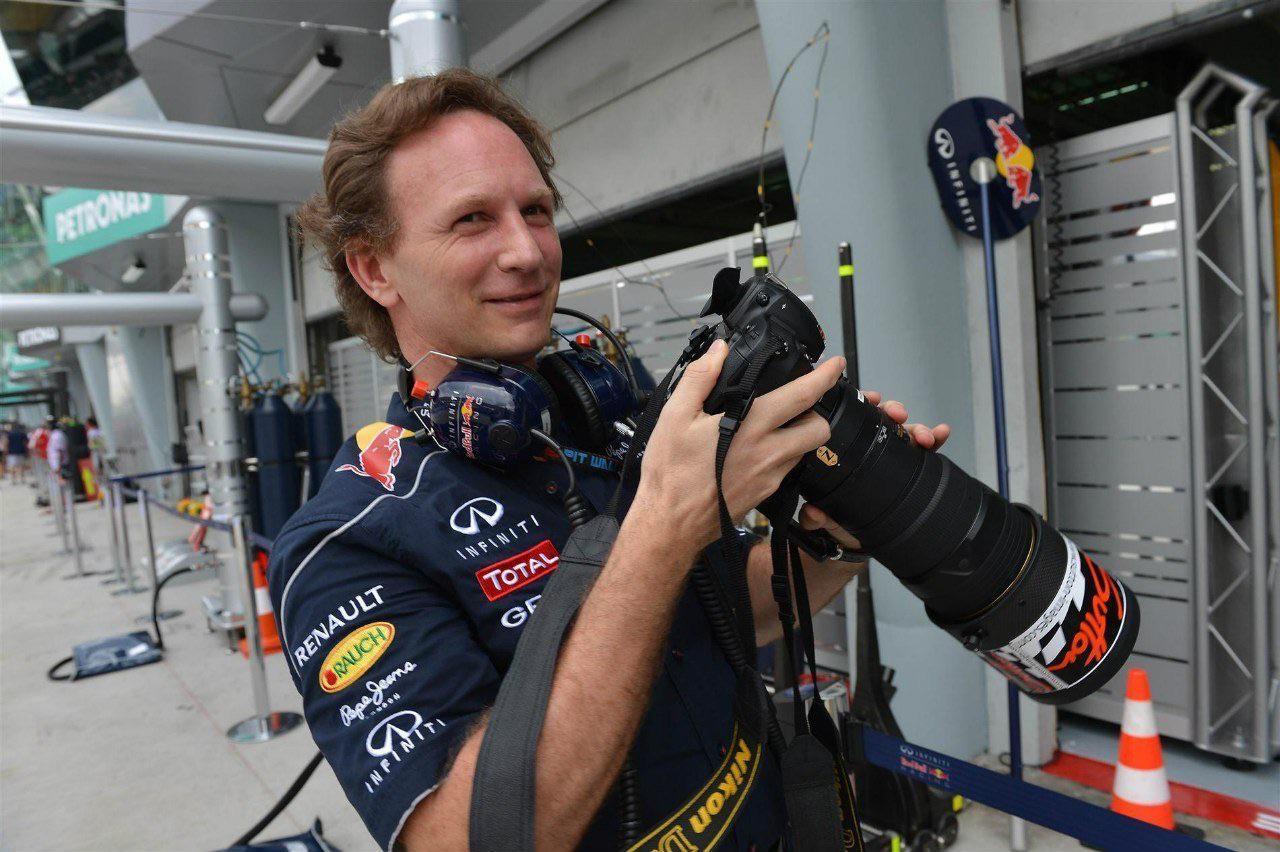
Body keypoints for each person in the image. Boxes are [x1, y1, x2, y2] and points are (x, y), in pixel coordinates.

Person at [269, 69, 949, 851]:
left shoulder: (608, 417)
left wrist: (841, 532)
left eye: (535, 211)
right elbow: (464, 840)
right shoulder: (344, 547)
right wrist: (663, 528)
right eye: (472, 220)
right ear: (373, 268)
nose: (527, 251)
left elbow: (735, 607)